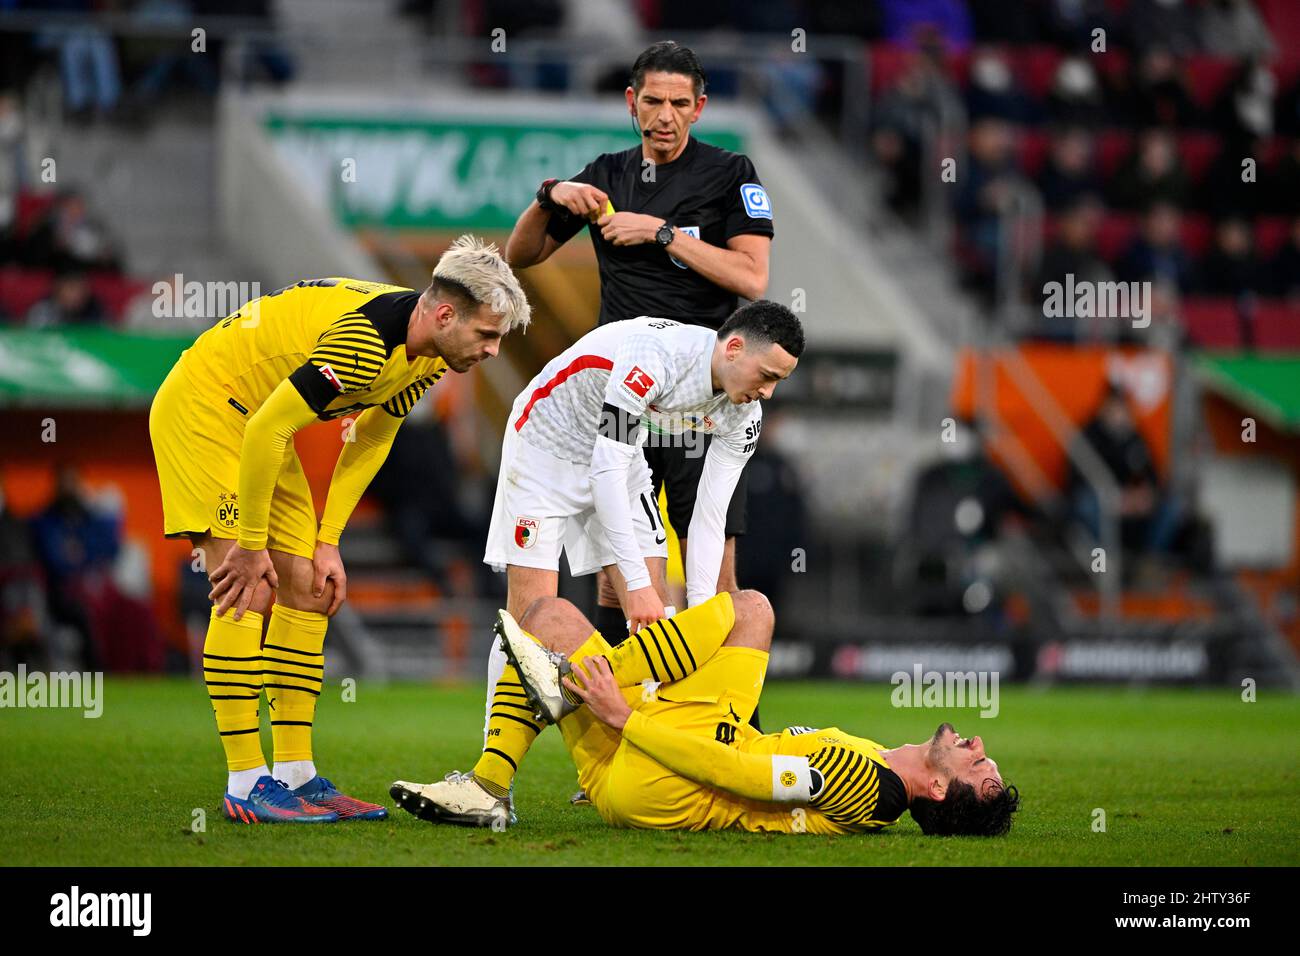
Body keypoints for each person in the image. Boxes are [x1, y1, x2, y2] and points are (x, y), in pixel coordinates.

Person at [148, 236, 530, 824]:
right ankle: (246, 780)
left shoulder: (428, 354)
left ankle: (296, 775)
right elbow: (268, 431)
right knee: (245, 587)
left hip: (258, 424)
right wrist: (250, 547)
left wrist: (328, 541)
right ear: (446, 314)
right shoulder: (367, 342)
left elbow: (372, 435)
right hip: (209, 408)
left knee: (310, 586)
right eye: (487, 334)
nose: (492, 349)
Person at [427, 302, 802, 822]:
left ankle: (639, 749)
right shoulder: (656, 356)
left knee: (660, 616)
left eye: (779, 381)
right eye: (766, 376)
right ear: (734, 348)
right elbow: (605, 468)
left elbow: (708, 519)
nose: (768, 392)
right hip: (545, 447)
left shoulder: (745, 412)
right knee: (530, 616)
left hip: (620, 461)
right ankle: (491, 785)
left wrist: (700, 617)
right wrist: (634, 583)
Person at [504, 40, 774, 656]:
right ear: (632, 101)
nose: (665, 115)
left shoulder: (732, 175)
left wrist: (663, 235)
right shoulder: (608, 174)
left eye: (679, 103)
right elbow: (519, 256)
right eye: (652, 100)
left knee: (718, 573)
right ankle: (622, 719)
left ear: (699, 107)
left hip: (704, 397)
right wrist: (548, 196)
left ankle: (731, 721)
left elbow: (751, 278)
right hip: (623, 393)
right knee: (617, 577)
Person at [392, 591, 1019, 837]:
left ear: (938, 788)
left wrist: (627, 717)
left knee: (729, 614)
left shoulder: (867, 783)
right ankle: (492, 785)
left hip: (669, 779)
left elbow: (736, 775)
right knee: (550, 619)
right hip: (664, 761)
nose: (978, 743)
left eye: (978, 766)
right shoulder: (875, 770)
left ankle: (502, 767)